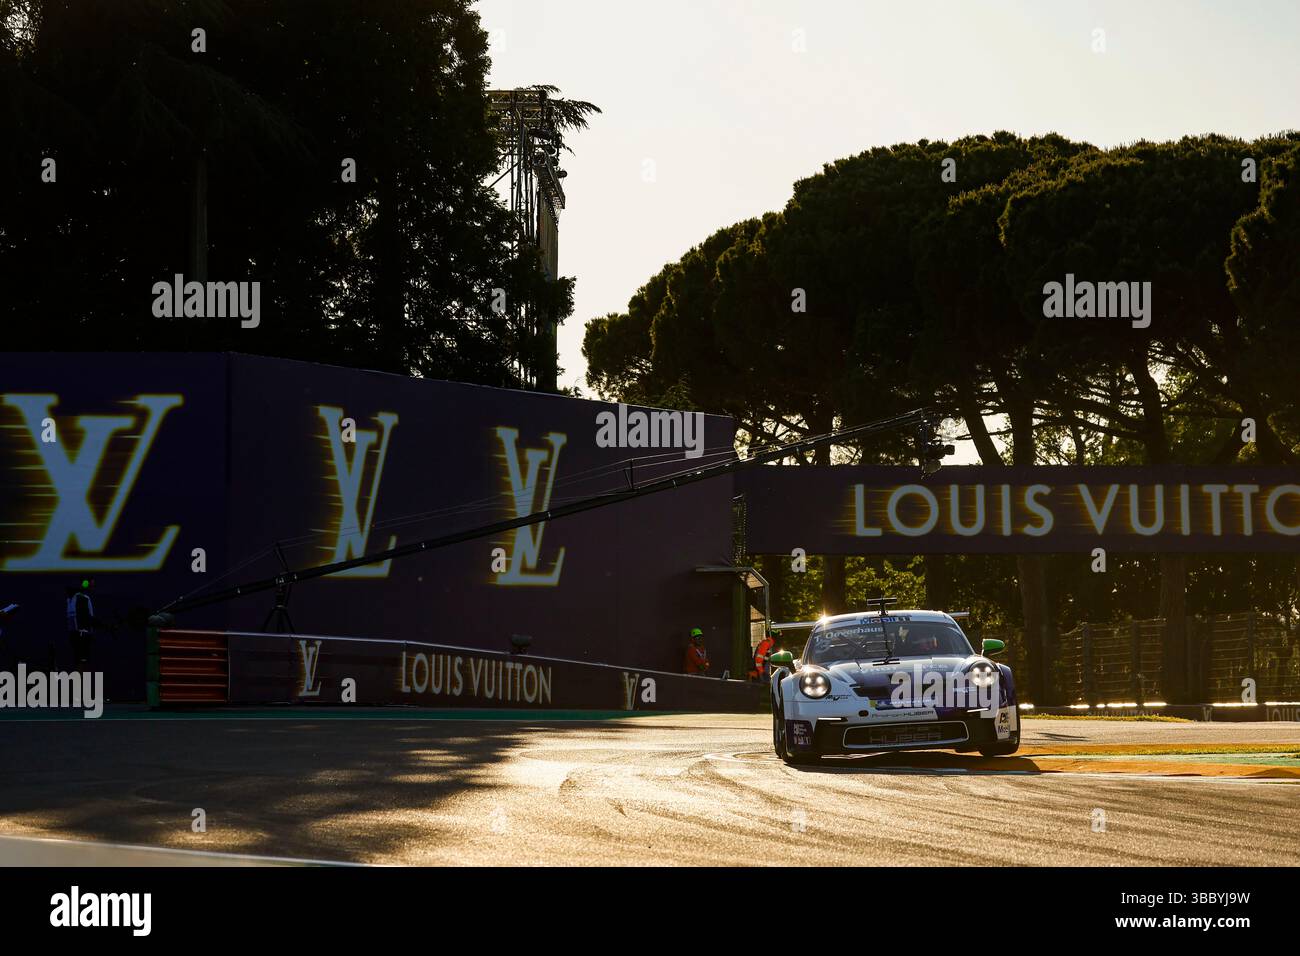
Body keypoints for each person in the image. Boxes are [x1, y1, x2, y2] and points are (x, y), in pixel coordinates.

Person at [66, 577, 100, 671]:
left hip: (76, 635)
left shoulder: (71, 599)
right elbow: (88, 618)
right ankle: (80, 683)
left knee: (80, 661)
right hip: (82, 636)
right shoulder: (82, 598)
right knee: (82, 663)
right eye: (89, 584)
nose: (91, 586)